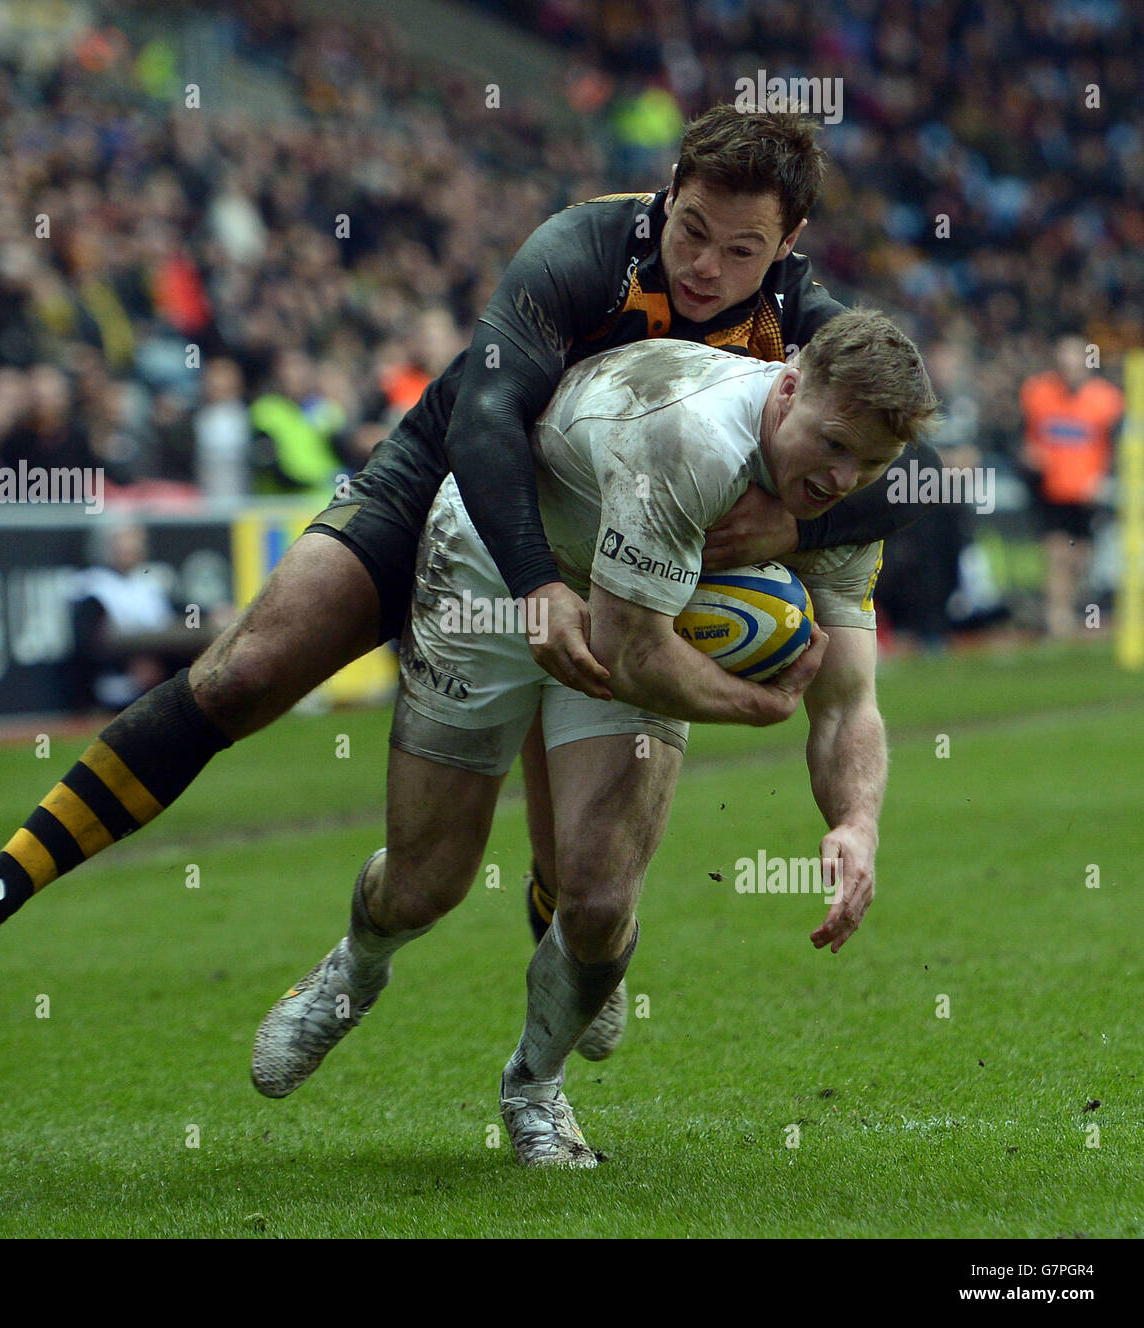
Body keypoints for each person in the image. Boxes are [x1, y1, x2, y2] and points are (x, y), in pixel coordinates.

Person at [0, 106, 940, 977]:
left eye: (740, 248)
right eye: (691, 227)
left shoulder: (809, 323)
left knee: (590, 856)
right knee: (246, 669)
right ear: (669, 191)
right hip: (449, 485)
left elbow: (917, 471)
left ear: (788, 245)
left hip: (609, 550)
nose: (705, 264)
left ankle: (550, 914)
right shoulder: (583, 248)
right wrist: (533, 582)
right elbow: (482, 421)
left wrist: (802, 517)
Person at [251, 309, 937, 1167]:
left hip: (640, 599)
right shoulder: (691, 439)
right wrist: (750, 706)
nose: (844, 478)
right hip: (498, 572)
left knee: (603, 898)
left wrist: (855, 822)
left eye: (871, 464)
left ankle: (535, 1088)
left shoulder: (847, 505)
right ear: (788, 385)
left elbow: (846, 703)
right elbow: (631, 653)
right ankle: (359, 962)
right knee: (427, 881)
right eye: (832, 445)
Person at [1019, 334, 1123, 638]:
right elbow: (1024, 436)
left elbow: (1117, 445)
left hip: (1088, 494)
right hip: (1050, 491)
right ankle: (1057, 620)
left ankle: (1077, 616)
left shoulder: (1107, 399)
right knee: (1057, 556)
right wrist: (1028, 455)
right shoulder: (1037, 392)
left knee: (1081, 559)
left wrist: (1105, 478)